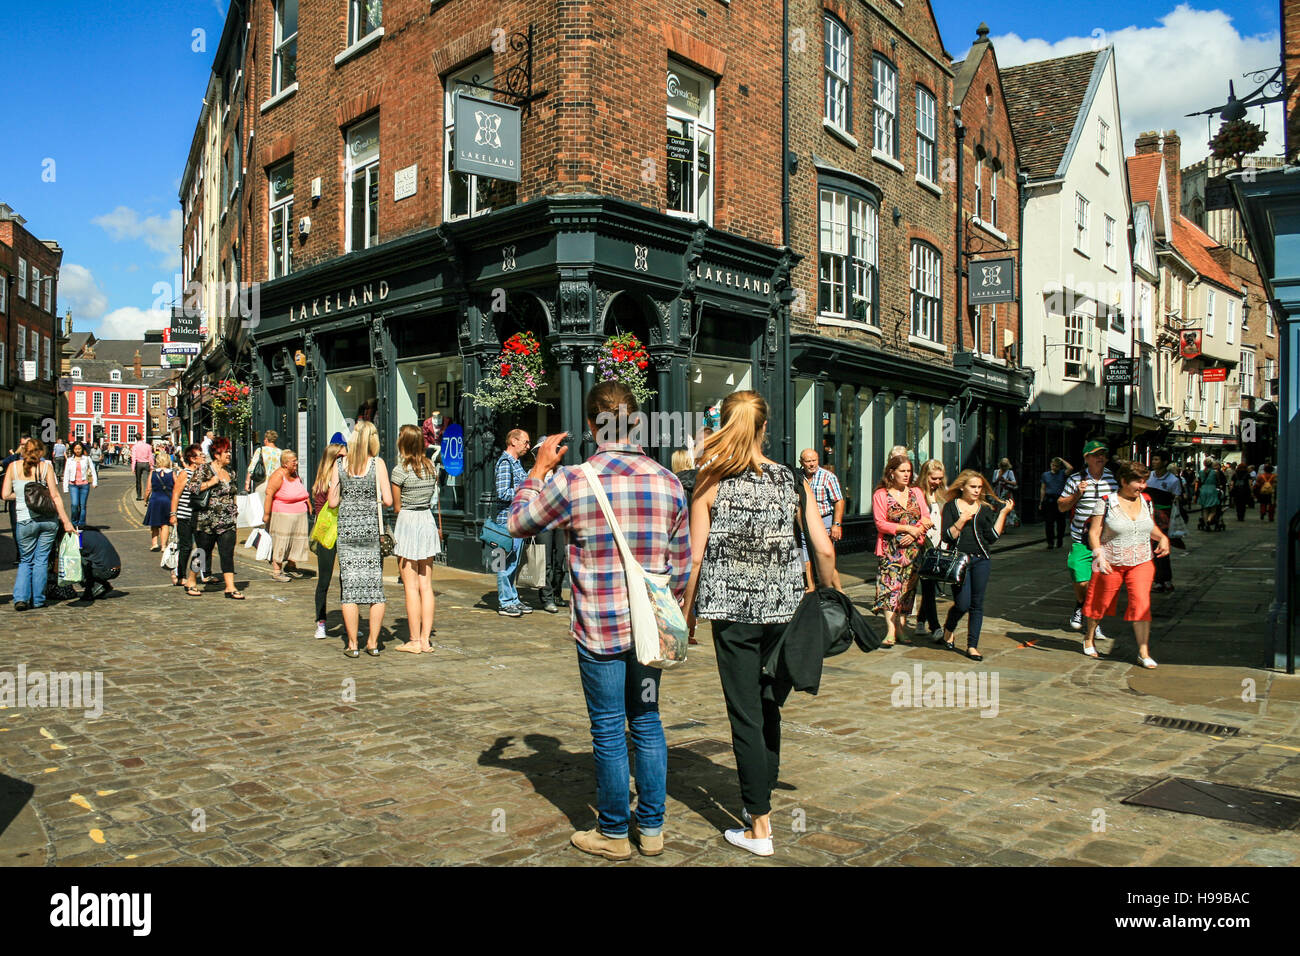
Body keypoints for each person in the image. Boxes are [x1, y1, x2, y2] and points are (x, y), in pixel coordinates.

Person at [506, 381, 688, 862]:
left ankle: (612, 832)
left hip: (601, 628)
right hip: (650, 633)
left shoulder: (574, 480)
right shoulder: (668, 481)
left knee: (608, 728)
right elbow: (684, 568)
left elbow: (518, 524)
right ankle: (651, 830)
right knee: (647, 721)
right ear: (636, 421)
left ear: (592, 425)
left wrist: (538, 470)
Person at [681, 390, 836, 858]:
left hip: (732, 616)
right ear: (766, 428)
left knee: (745, 713)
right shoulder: (792, 480)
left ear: (726, 424)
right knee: (768, 705)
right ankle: (761, 795)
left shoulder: (709, 480)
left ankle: (759, 825)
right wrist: (832, 597)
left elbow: (694, 558)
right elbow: (824, 549)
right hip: (786, 614)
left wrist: (686, 616)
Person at [1081, 460, 1170, 667]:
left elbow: (1151, 528)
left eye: (1144, 481)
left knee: (1142, 603)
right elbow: (1094, 533)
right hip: (1109, 561)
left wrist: (1163, 538)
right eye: (1138, 482)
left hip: (1141, 561)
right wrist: (1098, 555)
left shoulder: (1146, 500)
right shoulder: (1106, 501)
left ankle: (1144, 652)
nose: (1142, 486)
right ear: (1123, 481)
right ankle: (1089, 636)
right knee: (1099, 603)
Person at [328, 421, 390, 658]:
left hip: (347, 532)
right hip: (371, 531)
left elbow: (333, 502)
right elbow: (387, 501)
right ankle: (372, 643)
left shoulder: (340, 464)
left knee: (350, 588)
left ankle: (352, 644)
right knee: (375, 588)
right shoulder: (378, 463)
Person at [939, 470, 1015, 660]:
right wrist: (961, 520)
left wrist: (1003, 514)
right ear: (962, 486)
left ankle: (972, 646)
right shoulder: (951, 506)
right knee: (962, 604)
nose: (976, 490)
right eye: (973, 487)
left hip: (981, 559)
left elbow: (992, 537)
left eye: (979, 487)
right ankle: (949, 627)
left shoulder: (985, 508)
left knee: (977, 604)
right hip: (960, 561)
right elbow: (947, 536)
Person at [3, 439, 75, 611]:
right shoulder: (46, 468)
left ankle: (21, 598)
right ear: (41, 452)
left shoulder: (12, 468)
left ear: (23, 450)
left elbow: (5, 494)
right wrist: (66, 521)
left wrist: (21, 496)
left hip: (25, 520)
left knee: (25, 560)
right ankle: (38, 599)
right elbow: (55, 496)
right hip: (48, 520)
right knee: (41, 560)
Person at [870, 454, 931, 647]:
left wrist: (915, 533)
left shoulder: (916, 492)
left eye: (909, 471)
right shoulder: (881, 494)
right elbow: (880, 523)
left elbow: (926, 517)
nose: (906, 475)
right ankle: (890, 630)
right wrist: (906, 528)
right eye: (902, 471)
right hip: (891, 549)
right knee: (889, 589)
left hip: (913, 550)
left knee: (907, 589)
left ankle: (902, 628)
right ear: (891, 472)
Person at [391, 424, 441, 654]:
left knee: (410, 587)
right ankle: (426, 640)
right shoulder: (431, 468)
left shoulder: (400, 470)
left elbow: (396, 505)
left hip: (409, 522)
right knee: (426, 585)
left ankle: (413, 640)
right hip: (426, 521)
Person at [1058, 440, 1118, 634]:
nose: (1101, 457)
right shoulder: (1075, 479)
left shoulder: (1113, 479)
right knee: (1079, 575)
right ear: (1087, 458)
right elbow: (1061, 506)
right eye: (1095, 454)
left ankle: (1094, 624)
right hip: (1081, 538)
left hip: (1105, 539)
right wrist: (1077, 494)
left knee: (1099, 583)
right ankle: (1081, 603)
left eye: (1103, 454)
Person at [192, 437, 245, 599]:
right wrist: (210, 483)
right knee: (201, 553)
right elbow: (192, 488)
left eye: (229, 451)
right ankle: (191, 580)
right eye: (226, 451)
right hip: (207, 521)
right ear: (216, 454)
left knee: (227, 553)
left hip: (227, 522)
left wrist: (235, 512)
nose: (229, 454)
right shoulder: (204, 470)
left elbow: (233, 494)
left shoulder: (231, 472)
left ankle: (230, 587)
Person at [310, 442, 348, 639]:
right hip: (328, 533)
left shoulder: (348, 476)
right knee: (324, 580)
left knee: (347, 579)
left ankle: (350, 623)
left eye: (345, 457)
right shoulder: (323, 481)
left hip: (346, 530)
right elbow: (319, 510)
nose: (344, 460)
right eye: (340, 457)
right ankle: (321, 622)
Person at [494, 428, 531, 617]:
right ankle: (505, 602)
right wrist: (523, 489)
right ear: (514, 441)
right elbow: (502, 493)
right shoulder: (505, 463)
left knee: (513, 564)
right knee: (503, 564)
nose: (528, 446)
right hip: (504, 523)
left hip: (516, 520)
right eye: (525, 442)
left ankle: (512, 598)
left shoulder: (516, 463)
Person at [263, 450, 311, 582]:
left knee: (296, 541)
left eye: (296, 460)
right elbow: (269, 494)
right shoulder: (278, 475)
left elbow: (300, 490)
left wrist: (307, 502)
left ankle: (291, 566)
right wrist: (266, 515)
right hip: (283, 513)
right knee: (281, 541)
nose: (296, 463)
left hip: (299, 513)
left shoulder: (294, 474)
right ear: (285, 464)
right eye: (293, 461)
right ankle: (277, 571)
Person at [914, 458, 947, 641]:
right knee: (928, 584)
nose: (937, 482)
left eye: (940, 478)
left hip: (939, 544)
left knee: (930, 584)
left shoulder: (942, 493)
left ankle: (920, 621)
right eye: (933, 478)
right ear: (926, 476)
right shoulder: (917, 493)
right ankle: (935, 627)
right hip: (922, 545)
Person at [1145, 451, 1183, 593]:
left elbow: (1177, 499)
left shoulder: (1173, 480)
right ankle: (1159, 579)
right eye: (1153, 459)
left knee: (1161, 548)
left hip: (1164, 518)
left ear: (1165, 462)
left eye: (1156, 459)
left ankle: (1164, 580)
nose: (1153, 462)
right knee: (1149, 549)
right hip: (1148, 515)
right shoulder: (1149, 477)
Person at [171, 444, 204, 591]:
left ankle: (197, 574)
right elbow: (176, 494)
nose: (203, 457)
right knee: (186, 547)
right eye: (200, 455)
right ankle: (180, 575)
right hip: (184, 515)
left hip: (200, 516)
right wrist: (173, 514)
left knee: (202, 548)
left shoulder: (204, 473)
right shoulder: (185, 473)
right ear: (192, 459)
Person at [72, 527, 121, 603]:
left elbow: (76, 557)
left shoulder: (79, 537)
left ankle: (90, 590)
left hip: (106, 571)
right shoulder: (92, 532)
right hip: (115, 569)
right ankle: (102, 585)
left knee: (74, 563)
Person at [61, 440, 97, 530]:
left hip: (84, 485)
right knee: (74, 504)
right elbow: (66, 474)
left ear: (82, 449)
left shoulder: (87, 459)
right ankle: (74, 522)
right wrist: (65, 487)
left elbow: (93, 470)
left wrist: (95, 482)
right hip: (73, 485)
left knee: (82, 505)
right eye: (76, 449)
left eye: (79, 449)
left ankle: (81, 524)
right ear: (73, 449)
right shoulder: (70, 460)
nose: (78, 450)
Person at [143, 451, 174, 553]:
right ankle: (164, 546)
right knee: (165, 524)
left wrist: (145, 499)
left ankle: (154, 544)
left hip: (155, 500)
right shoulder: (172, 473)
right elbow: (177, 488)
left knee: (154, 523)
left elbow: (148, 489)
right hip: (167, 501)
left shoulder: (153, 473)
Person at [1039, 457, 1071, 549]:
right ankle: (1050, 542)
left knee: (1061, 522)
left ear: (1059, 467)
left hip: (1060, 500)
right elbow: (1043, 488)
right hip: (1049, 500)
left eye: (1056, 466)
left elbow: (1070, 468)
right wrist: (1041, 502)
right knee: (1049, 522)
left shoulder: (1062, 473)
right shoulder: (1045, 475)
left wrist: (1062, 460)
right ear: (1050, 465)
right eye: (1053, 465)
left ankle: (1060, 539)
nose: (1054, 467)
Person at [245, 430, 282, 495]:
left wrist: (247, 483)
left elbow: (251, 467)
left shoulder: (260, 450)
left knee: (261, 504)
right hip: (276, 485)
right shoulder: (281, 452)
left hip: (262, 484)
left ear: (266, 440)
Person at [1196, 457, 1224, 531]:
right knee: (1213, 510)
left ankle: (1205, 525)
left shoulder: (1201, 472)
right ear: (1211, 464)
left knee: (1205, 509)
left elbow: (1199, 481)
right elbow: (1218, 482)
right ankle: (1209, 520)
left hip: (1203, 490)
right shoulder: (1215, 472)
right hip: (1212, 490)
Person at [131, 434, 154, 500]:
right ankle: (146, 496)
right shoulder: (148, 446)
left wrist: (133, 467)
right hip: (146, 463)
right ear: (141, 438)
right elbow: (150, 457)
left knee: (138, 480)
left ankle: (139, 496)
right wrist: (152, 465)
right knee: (146, 480)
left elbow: (133, 458)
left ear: (136, 438)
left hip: (138, 464)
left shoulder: (134, 447)